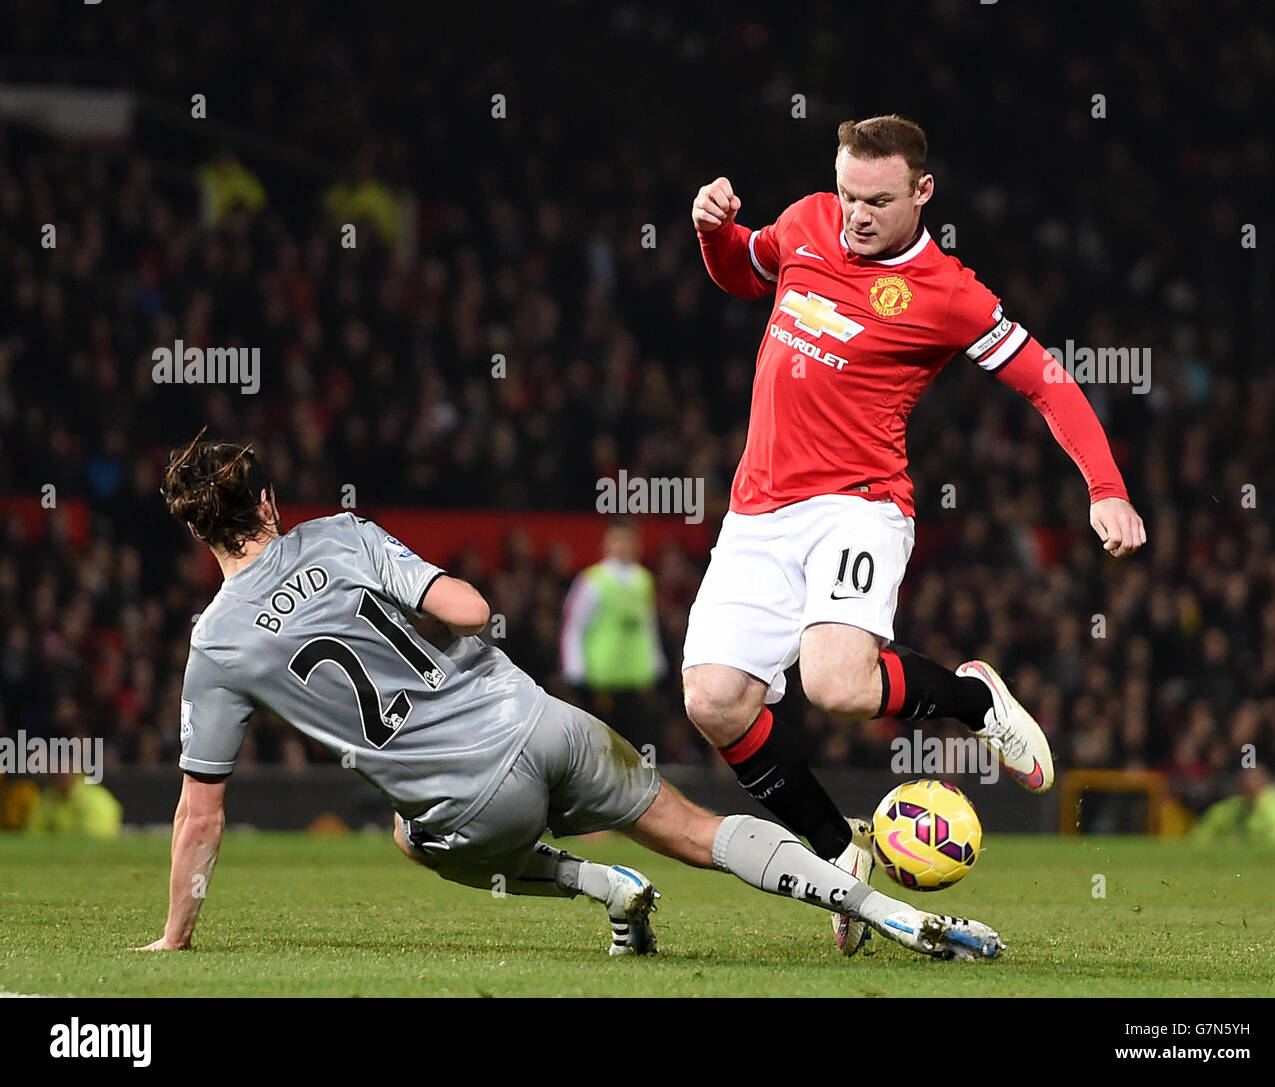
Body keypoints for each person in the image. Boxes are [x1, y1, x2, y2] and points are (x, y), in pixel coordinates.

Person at [135, 432, 1005, 962]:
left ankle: (596, 881)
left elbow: (200, 815)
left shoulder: (216, 644)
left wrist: (177, 933)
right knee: (698, 831)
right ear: (269, 502)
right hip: (545, 721)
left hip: (469, 805)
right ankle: (885, 909)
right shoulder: (341, 534)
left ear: (198, 533)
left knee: (411, 837)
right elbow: (469, 609)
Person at [685, 114, 1147, 955]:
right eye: (849, 195)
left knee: (838, 684)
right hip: (757, 509)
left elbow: (1048, 382)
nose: (856, 215)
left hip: (858, 503)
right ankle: (839, 851)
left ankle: (976, 702)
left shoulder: (947, 292)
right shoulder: (808, 219)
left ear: (923, 192)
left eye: (878, 200)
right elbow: (745, 272)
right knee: (712, 700)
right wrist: (715, 232)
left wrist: (1106, 488)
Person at [559, 519, 666, 752]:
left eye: (629, 540)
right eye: (618, 539)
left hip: (636, 678)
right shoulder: (592, 580)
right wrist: (574, 669)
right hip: (602, 678)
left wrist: (655, 664)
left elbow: (648, 625)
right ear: (606, 543)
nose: (624, 545)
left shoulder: (644, 579)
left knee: (635, 745)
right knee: (603, 746)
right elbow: (574, 626)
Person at [1190, 767, 1275, 846]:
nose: (1249, 787)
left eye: (1253, 782)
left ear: (1264, 784)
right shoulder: (1230, 808)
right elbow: (1201, 835)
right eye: (1244, 784)